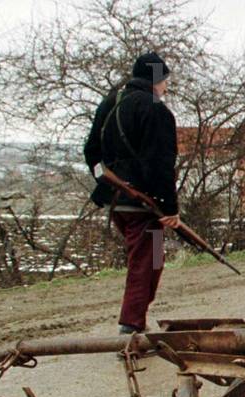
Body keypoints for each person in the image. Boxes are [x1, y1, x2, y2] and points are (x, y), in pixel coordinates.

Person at [85, 52, 180, 335]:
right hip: (143, 207)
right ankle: (131, 328)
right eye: (164, 81)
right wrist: (169, 208)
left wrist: (109, 180)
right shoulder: (155, 110)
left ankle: (137, 319)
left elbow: (91, 153)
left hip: (117, 202)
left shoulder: (110, 103)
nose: (165, 88)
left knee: (152, 260)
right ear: (156, 79)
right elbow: (161, 164)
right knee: (145, 262)